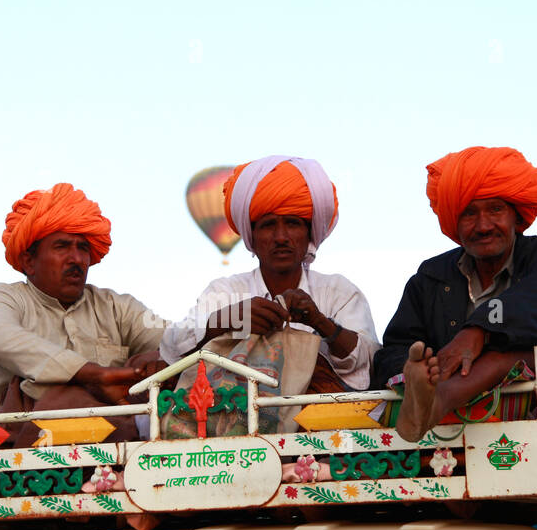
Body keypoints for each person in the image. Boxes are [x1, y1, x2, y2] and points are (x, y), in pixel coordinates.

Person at [371, 146, 537, 507]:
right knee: (413, 363)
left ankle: (442, 398)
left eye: (495, 210)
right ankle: (430, 395)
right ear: (454, 222)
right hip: (453, 427)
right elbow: (396, 345)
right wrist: (420, 367)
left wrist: (478, 331)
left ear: (516, 215)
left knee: (521, 349)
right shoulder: (431, 276)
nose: (483, 225)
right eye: (469, 213)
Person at [161, 155, 379, 393]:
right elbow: (171, 344)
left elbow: (369, 362)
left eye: (293, 223)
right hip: (236, 417)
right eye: (268, 225)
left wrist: (319, 322)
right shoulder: (225, 291)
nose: (281, 237)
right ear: (251, 237)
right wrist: (231, 318)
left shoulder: (338, 292)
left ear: (309, 233)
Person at [0, 183, 167, 445]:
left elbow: (173, 341)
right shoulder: (4, 299)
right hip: (12, 458)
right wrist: (94, 374)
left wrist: (163, 361)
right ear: (29, 261)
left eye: (83, 248)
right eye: (62, 247)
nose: (76, 259)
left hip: (111, 451)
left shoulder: (115, 306)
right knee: (62, 399)